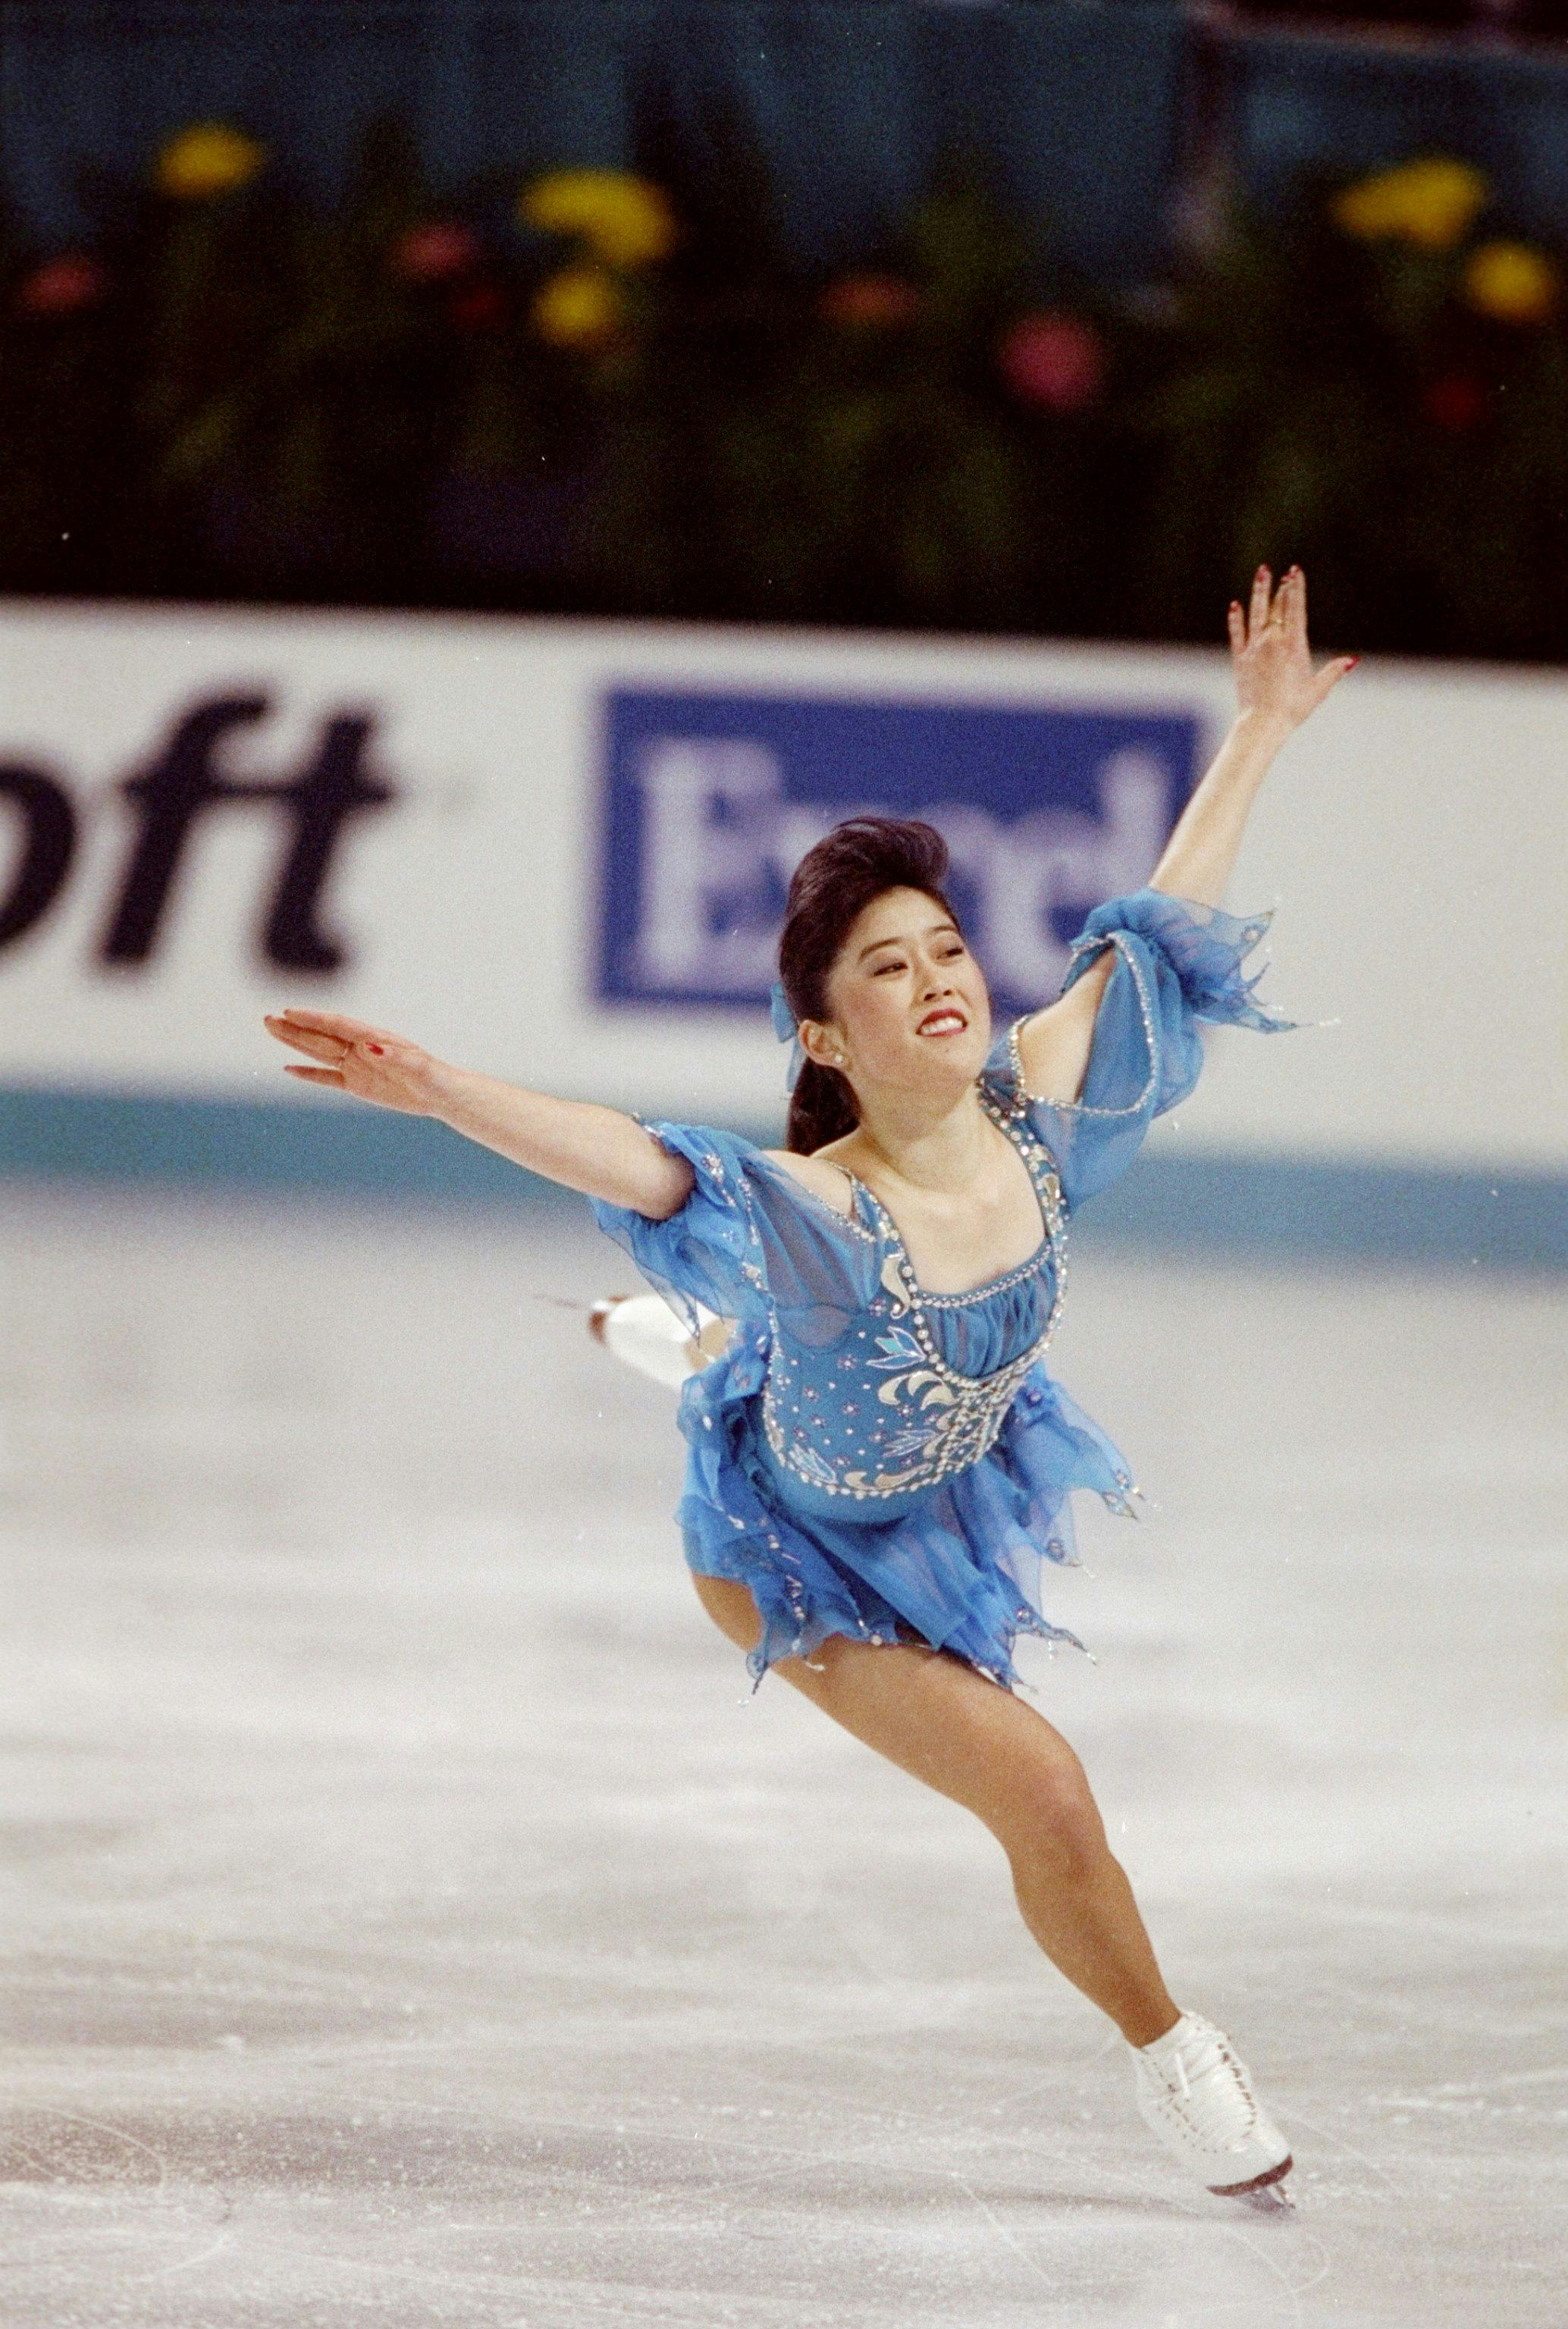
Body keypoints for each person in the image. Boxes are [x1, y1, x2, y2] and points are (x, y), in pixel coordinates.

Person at [264, 563, 1355, 2204]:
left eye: (941, 948)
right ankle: (1171, 2058)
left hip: (944, 1470)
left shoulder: (1039, 1100)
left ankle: (679, 1348)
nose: (937, 980)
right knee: (1047, 1794)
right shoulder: (817, 1205)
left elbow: (1162, 921)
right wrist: (437, 1091)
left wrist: (1256, 731)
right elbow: (633, 1160)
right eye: (884, 971)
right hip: (798, 1552)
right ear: (825, 1037)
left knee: (743, 1348)